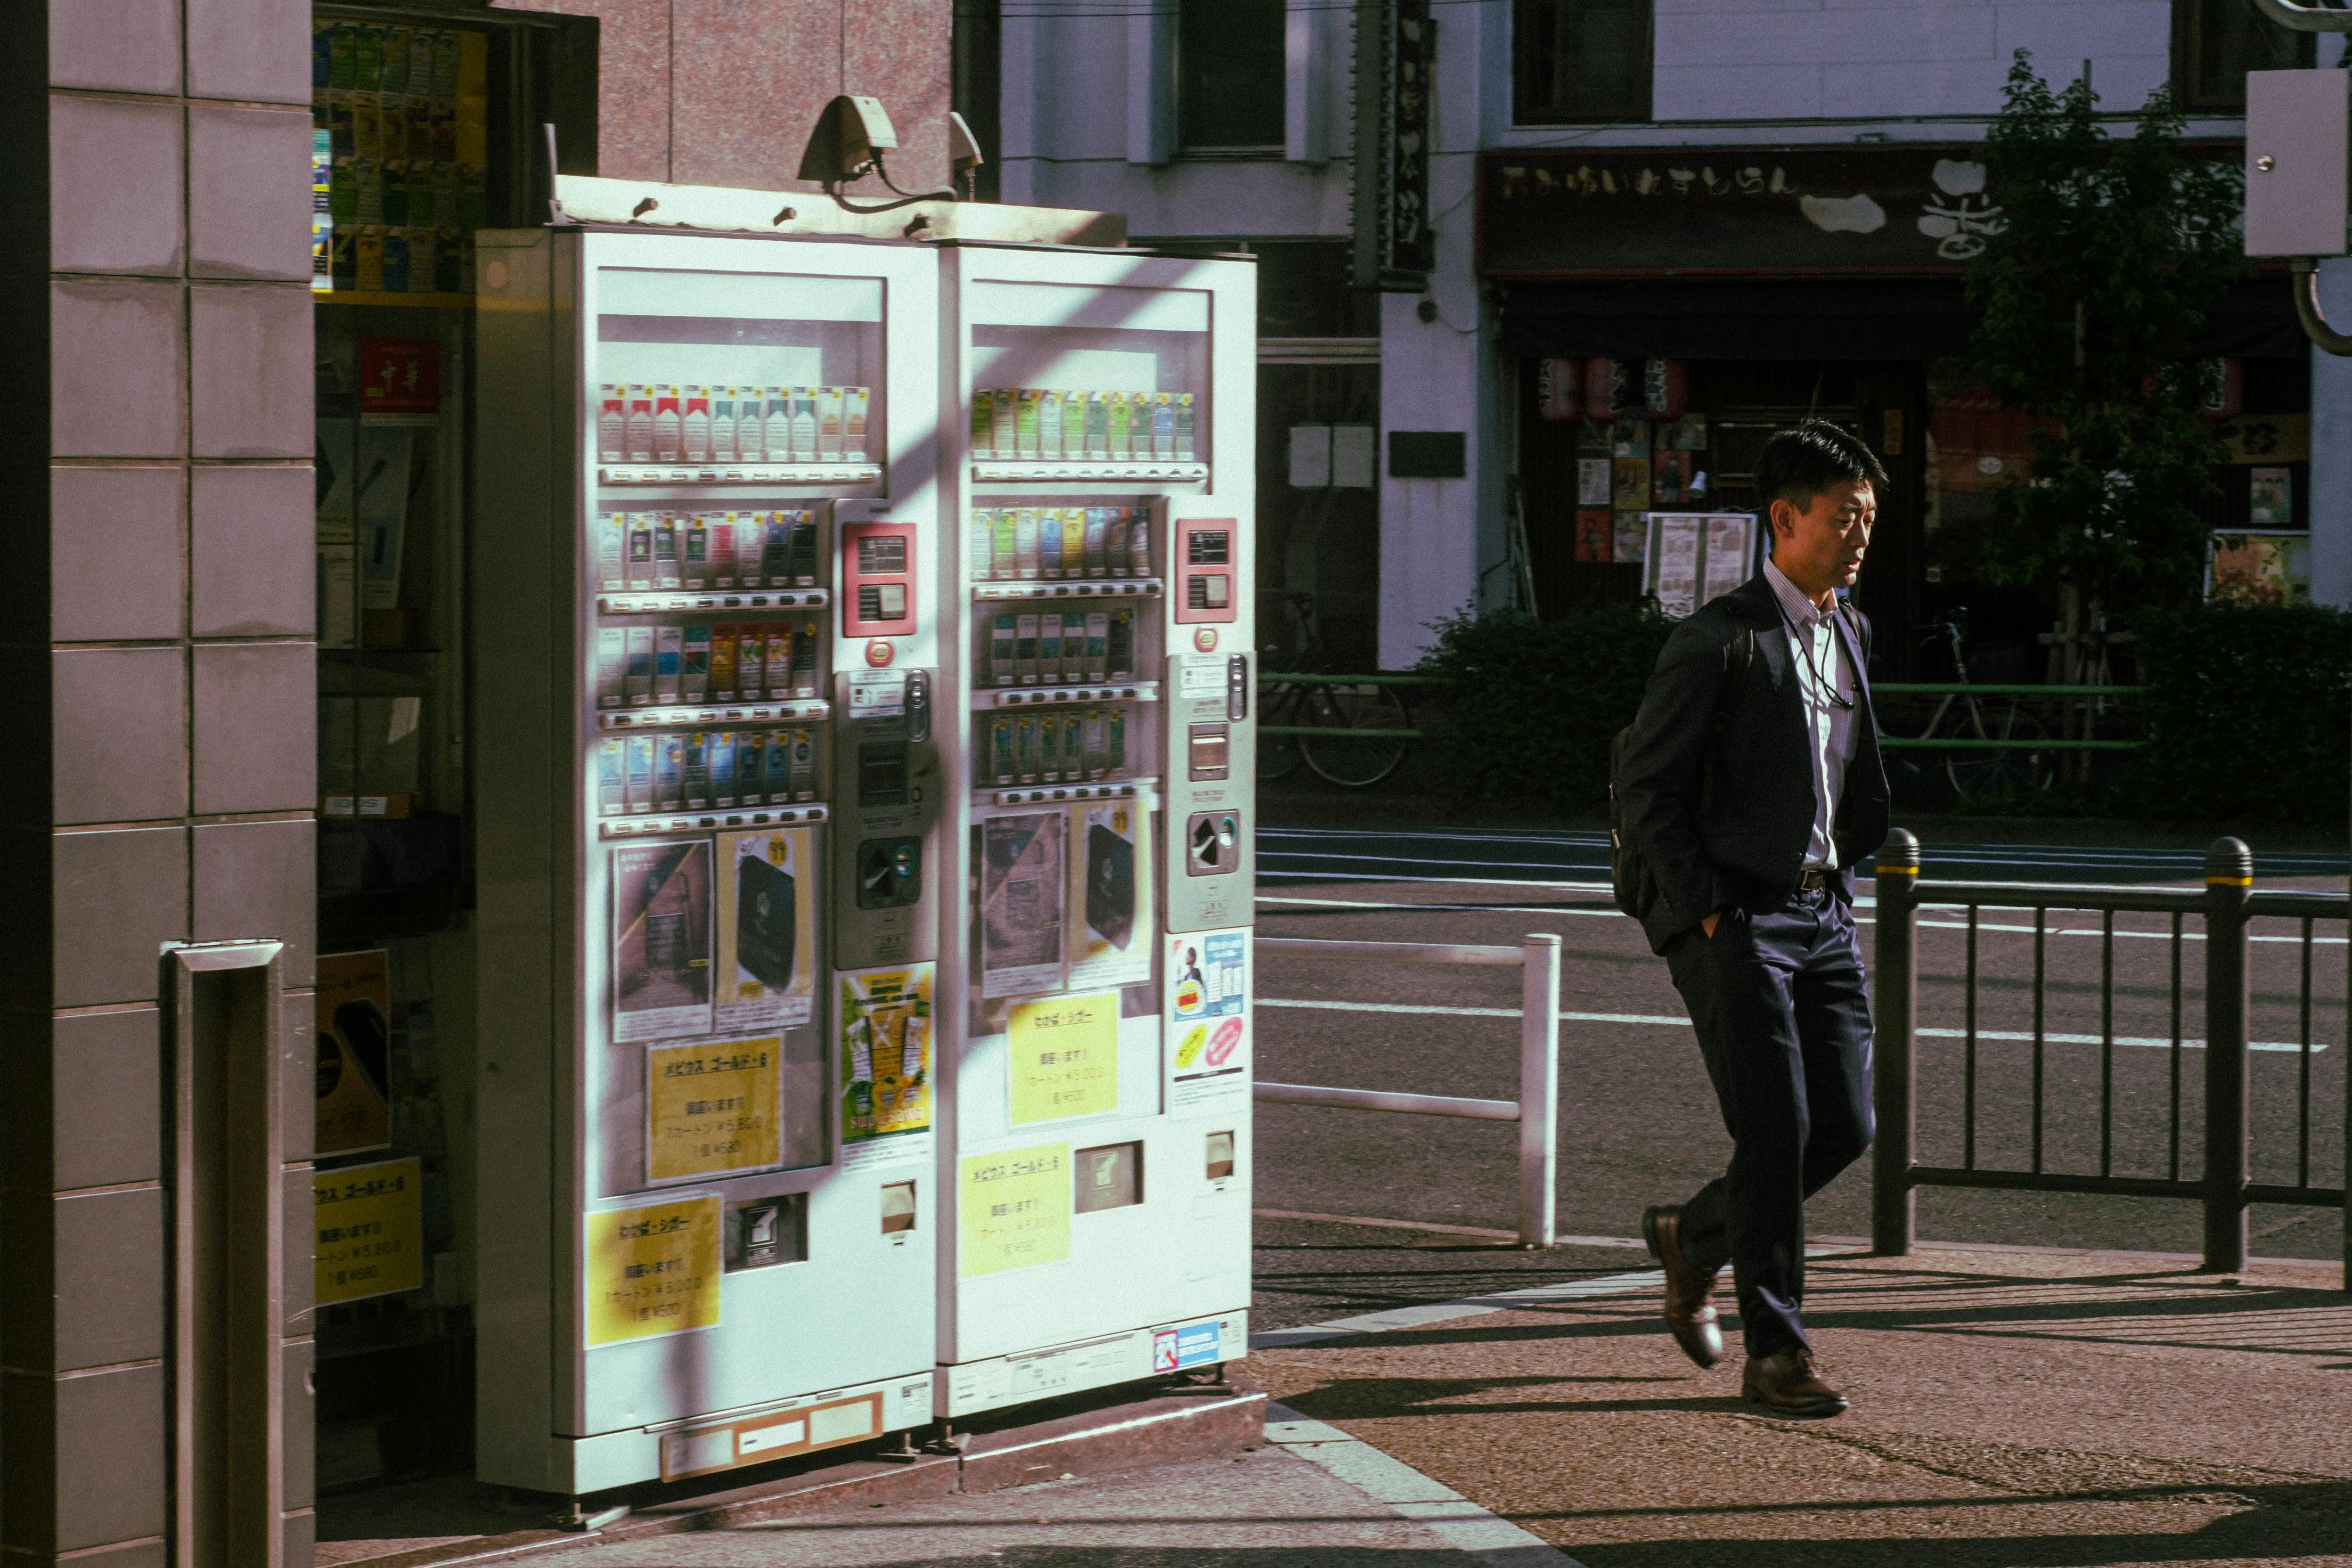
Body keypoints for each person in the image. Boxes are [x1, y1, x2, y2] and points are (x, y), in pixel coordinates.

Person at [1615, 419, 1892, 1418]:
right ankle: (1779, 1352)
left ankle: (1691, 1237)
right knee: (1775, 1133)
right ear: (1785, 518)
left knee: (1846, 1126)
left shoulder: (1851, 629)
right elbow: (1649, 792)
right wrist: (1713, 914)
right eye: (1845, 518)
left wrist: (1838, 879)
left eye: (1870, 520)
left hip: (1821, 911)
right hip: (1740, 919)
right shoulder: (1718, 640)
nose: (1861, 536)